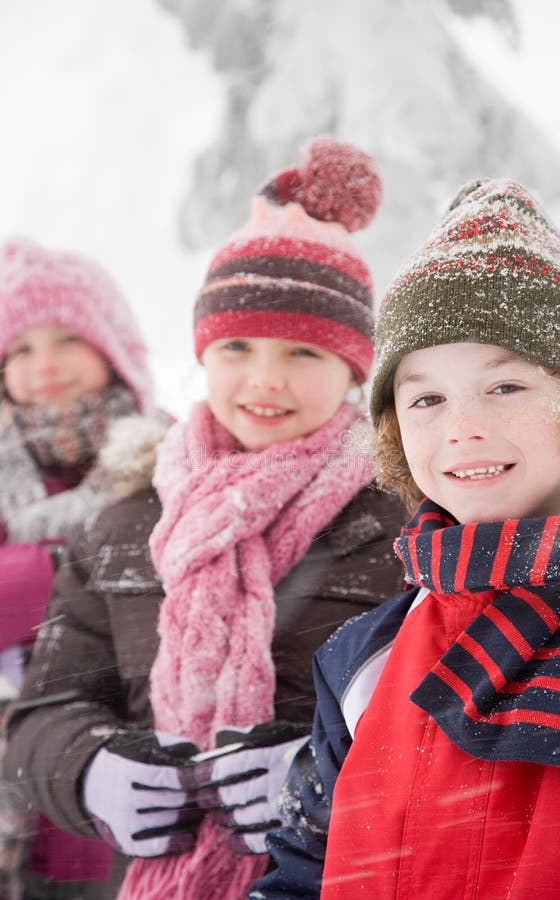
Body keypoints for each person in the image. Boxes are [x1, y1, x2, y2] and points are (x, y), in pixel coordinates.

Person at [4, 137, 408, 900]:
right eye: (238, 347)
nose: (264, 379)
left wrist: (322, 776)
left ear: (354, 370)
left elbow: (445, 720)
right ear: (202, 353)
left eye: (303, 354)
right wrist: (89, 770)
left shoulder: (404, 524)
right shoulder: (124, 524)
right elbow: (44, 713)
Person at [250, 178, 560, 899]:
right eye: (427, 399)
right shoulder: (364, 659)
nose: (461, 427)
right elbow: (300, 871)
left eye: (505, 387)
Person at [0, 238, 167, 900]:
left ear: (113, 344)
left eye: (66, 338)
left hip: (146, 798)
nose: (45, 365)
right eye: (21, 347)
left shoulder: (175, 452)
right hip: (24, 819)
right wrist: (67, 563)